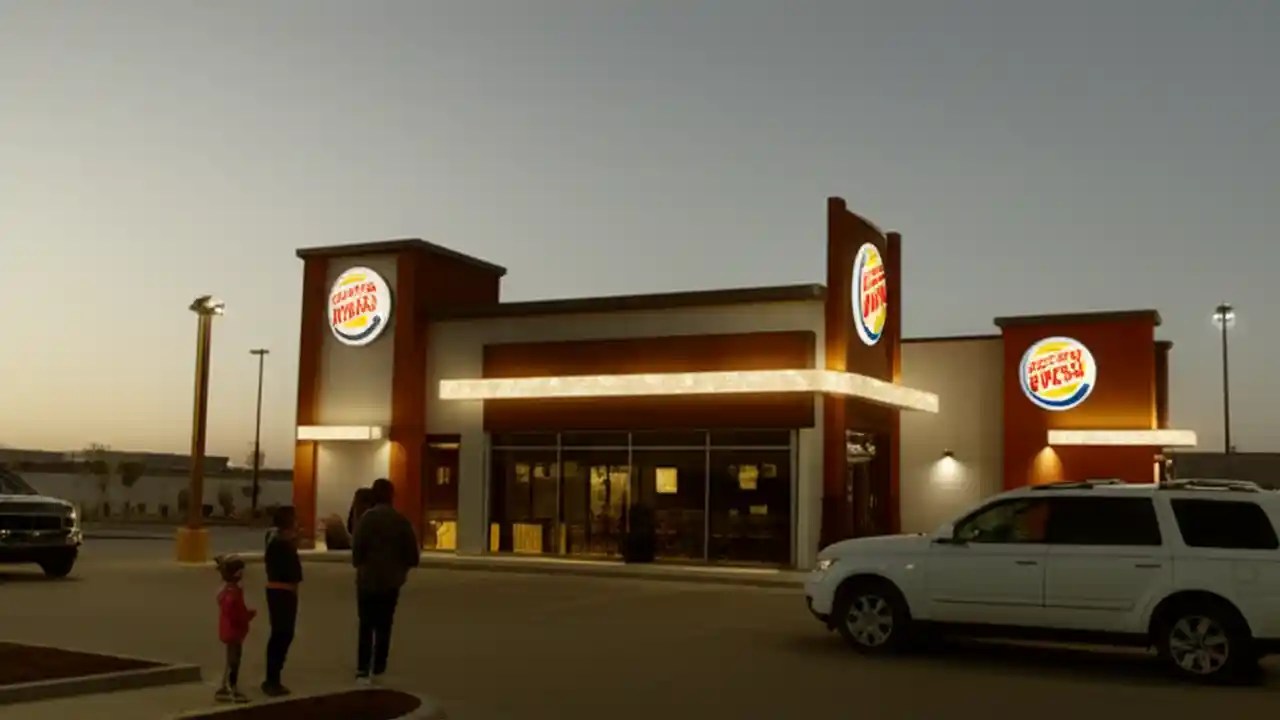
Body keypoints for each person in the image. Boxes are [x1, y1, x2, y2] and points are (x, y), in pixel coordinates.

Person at [351, 478, 420, 683]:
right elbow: (412, 556)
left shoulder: (365, 520)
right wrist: (400, 571)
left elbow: (357, 554)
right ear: (392, 495)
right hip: (391, 582)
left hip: (367, 580)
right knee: (384, 624)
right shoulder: (401, 521)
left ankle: (362, 667)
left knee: (366, 624)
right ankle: (379, 667)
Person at [262, 506, 302, 697]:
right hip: (283, 592)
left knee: (280, 635)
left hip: (278, 591)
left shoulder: (275, 540)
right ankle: (272, 679)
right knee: (282, 634)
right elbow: (293, 573)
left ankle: (273, 677)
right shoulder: (283, 545)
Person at [214, 555, 255, 704]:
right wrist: (247, 616)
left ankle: (224, 687)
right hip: (234, 631)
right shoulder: (233, 593)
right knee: (234, 661)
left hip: (230, 630)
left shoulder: (228, 590)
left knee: (230, 660)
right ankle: (231, 689)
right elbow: (235, 614)